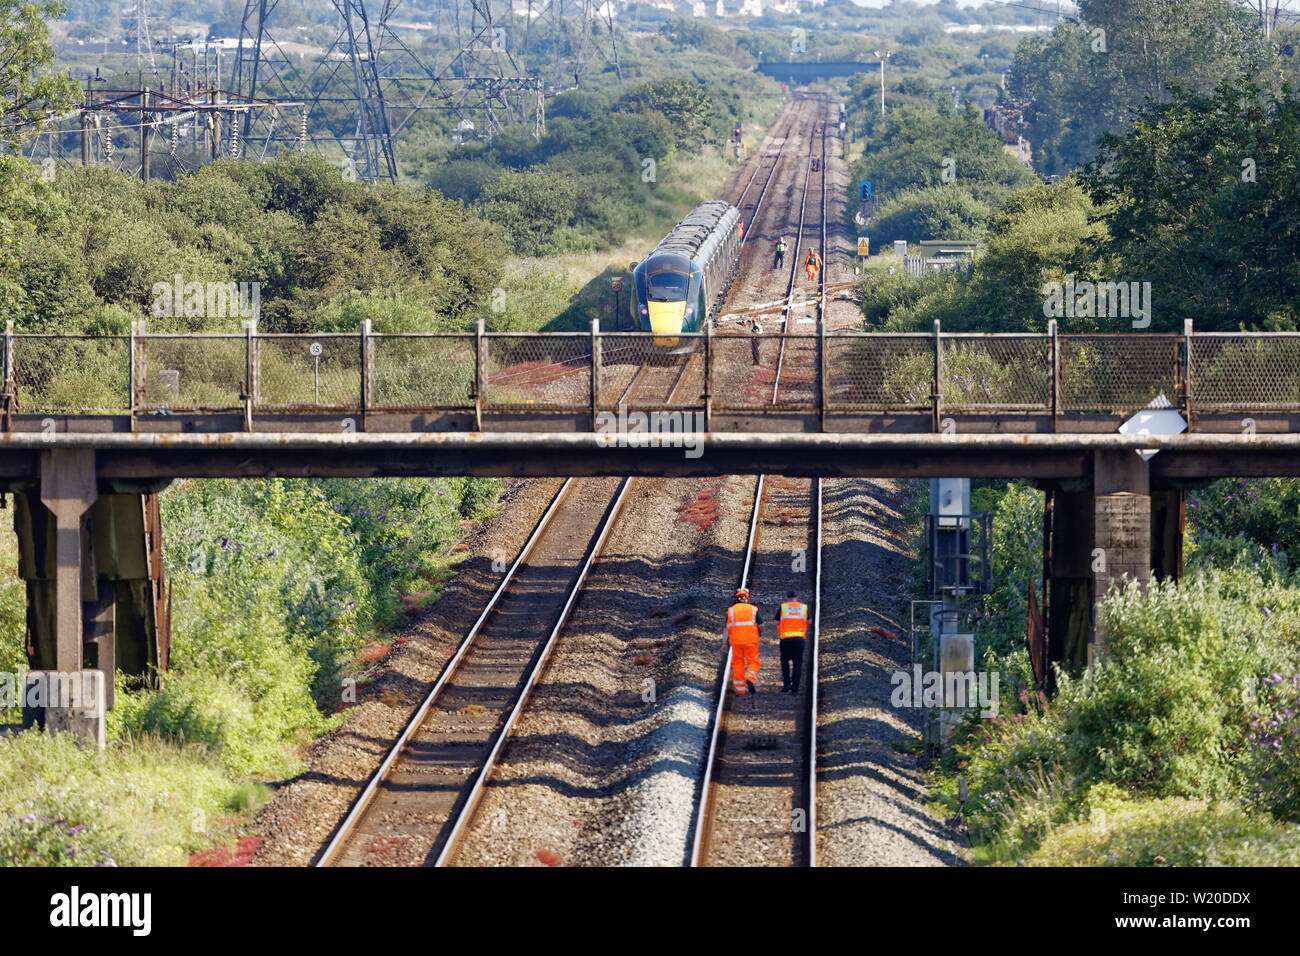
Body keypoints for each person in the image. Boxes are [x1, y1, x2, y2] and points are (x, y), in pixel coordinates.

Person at [725, 588, 763, 696]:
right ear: (747, 598)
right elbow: (761, 625)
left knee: (737, 663)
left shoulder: (730, 611)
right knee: (753, 661)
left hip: (736, 642)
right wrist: (759, 632)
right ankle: (750, 677)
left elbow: (726, 629)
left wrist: (724, 644)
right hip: (751, 641)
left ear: (736, 599)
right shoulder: (753, 609)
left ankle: (740, 690)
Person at [777, 591, 809, 693]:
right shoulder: (803, 608)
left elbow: (776, 622)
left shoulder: (783, 607)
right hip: (799, 639)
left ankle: (786, 684)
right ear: (796, 597)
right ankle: (795, 689)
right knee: (797, 663)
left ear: (787, 598)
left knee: (784, 661)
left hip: (785, 639)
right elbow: (809, 621)